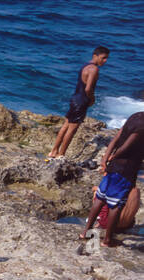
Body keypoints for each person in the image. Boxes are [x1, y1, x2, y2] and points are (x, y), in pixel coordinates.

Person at [81, 110, 144, 247]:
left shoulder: (135, 116)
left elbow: (116, 139)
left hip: (113, 167)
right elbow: (126, 147)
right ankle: (108, 240)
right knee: (116, 205)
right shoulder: (142, 126)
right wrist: (113, 157)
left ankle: (86, 231)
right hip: (125, 169)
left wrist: (105, 158)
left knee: (100, 198)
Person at [49, 47, 110, 161]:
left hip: (75, 98)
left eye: (107, 58)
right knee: (72, 129)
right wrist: (92, 99)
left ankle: (54, 151)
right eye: (103, 58)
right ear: (95, 55)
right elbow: (88, 88)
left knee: (66, 125)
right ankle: (61, 154)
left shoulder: (85, 66)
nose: (105, 61)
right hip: (81, 101)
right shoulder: (94, 69)